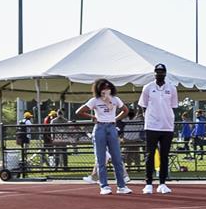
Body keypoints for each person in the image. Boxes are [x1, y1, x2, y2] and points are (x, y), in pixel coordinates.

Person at [76, 78, 130, 194]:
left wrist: (115, 119)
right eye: (103, 88)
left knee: (117, 158)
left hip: (112, 127)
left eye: (108, 87)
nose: (106, 90)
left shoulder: (115, 99)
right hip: (100, 127)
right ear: (98, 90)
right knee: (101, 159)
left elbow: (125, 110)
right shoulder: (94, 101)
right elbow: (79, 111)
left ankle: (121, 186)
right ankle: (104, 186)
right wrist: (93, 117)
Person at [139, 64, 182, 193]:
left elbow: (173, 106)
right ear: (154, 73)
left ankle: (162, 183)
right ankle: (148, 183)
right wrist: (148, 117)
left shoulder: (172, 88)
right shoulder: (148, 87)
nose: (160, 74)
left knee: (164, 155)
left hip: (167, 126)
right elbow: (143, 105)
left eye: (162, 72)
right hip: (151, 126)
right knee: (150, 154)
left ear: (165, 73)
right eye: (157, 72)